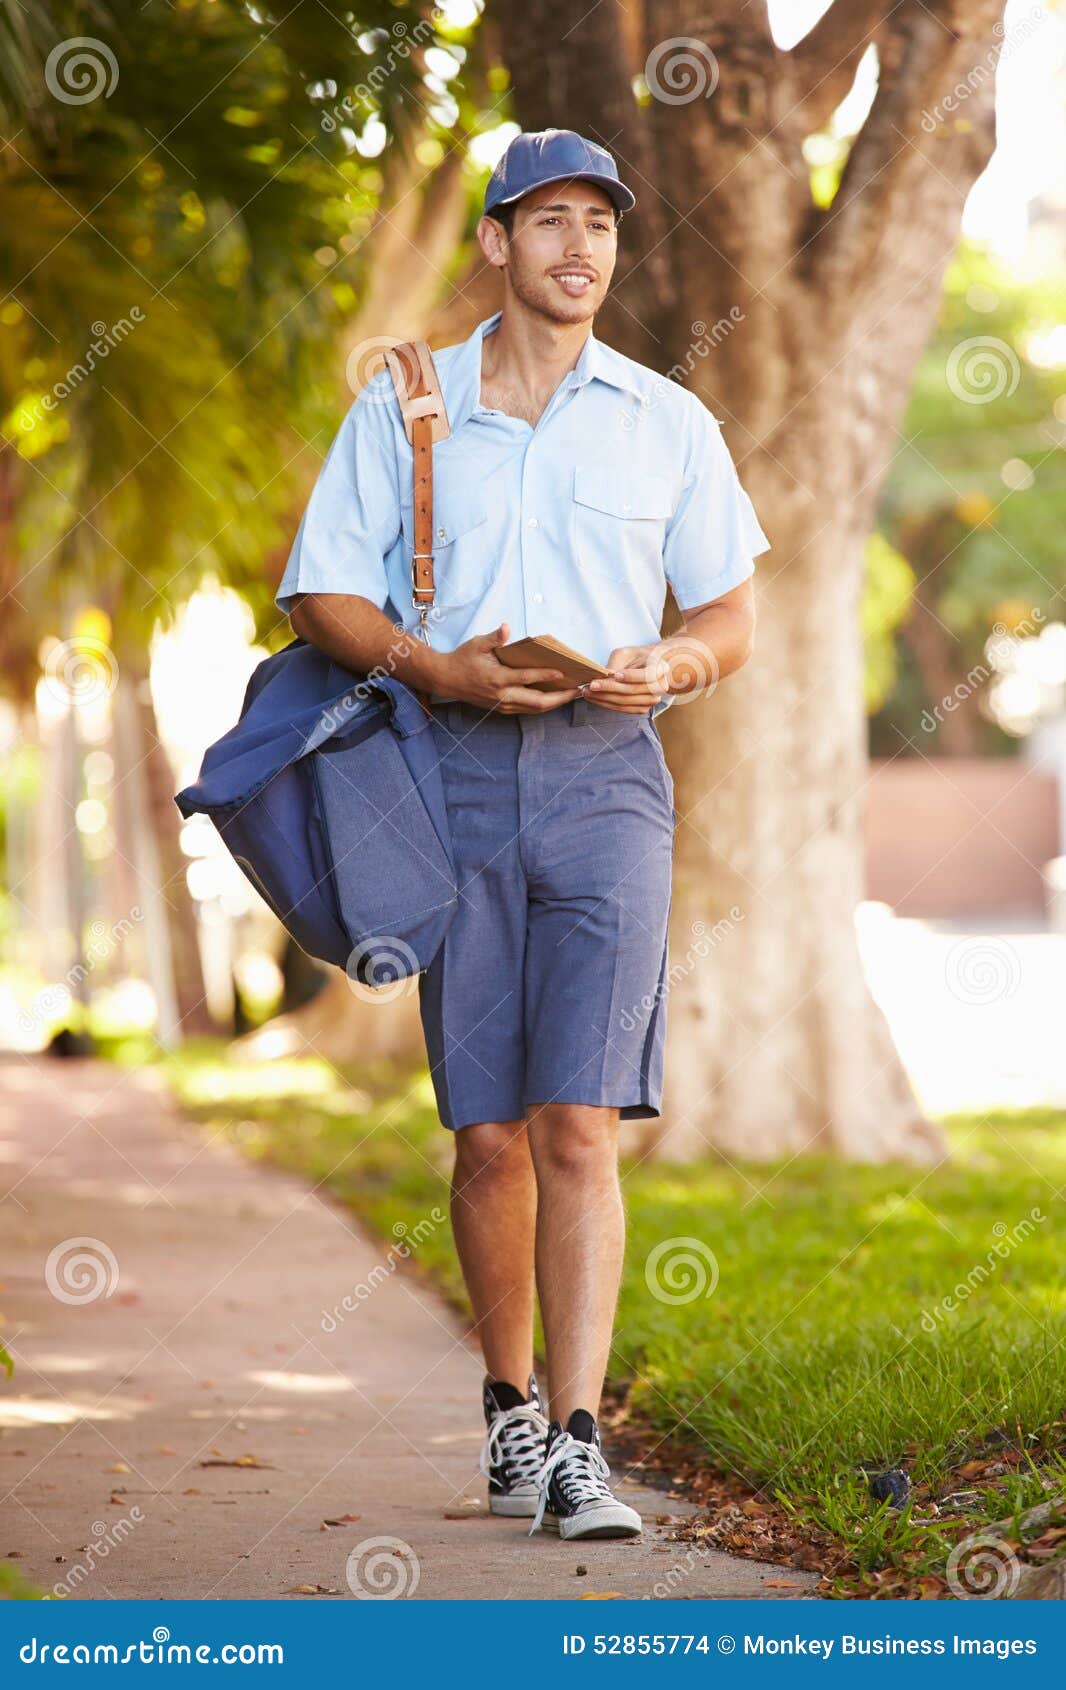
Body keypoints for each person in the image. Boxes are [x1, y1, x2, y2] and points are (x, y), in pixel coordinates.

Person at [276, 128, 769, 1542]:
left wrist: (667, 666)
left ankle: (575, 1436)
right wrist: (440, 670)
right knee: (487, 1132)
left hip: (610, 775)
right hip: (454, 775)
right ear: (495, 242)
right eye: (546, 221)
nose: (577, 248)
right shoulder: (410, 404)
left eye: (597, 225)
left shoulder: (665, 418)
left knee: (577, 1121)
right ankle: (503, 1405)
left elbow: (728, 612)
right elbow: (325, 593)